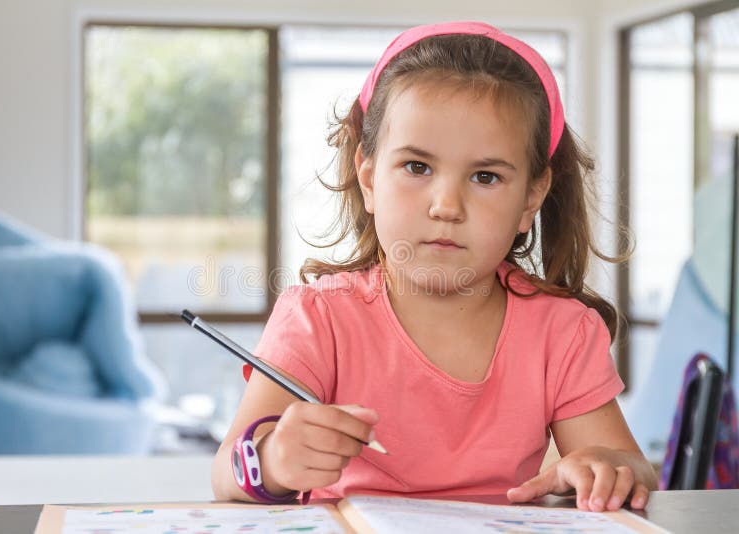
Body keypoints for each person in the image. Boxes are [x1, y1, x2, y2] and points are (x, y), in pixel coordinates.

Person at [211, 21, 657, 511]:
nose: (447, 206)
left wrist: (606, 468)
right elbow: (228, 472)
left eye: (485, 177)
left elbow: (633, 469)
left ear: (531, 198)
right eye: (417, 167)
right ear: (369, 180)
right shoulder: (319, 318)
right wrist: (271, 460)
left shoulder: (562, 332)